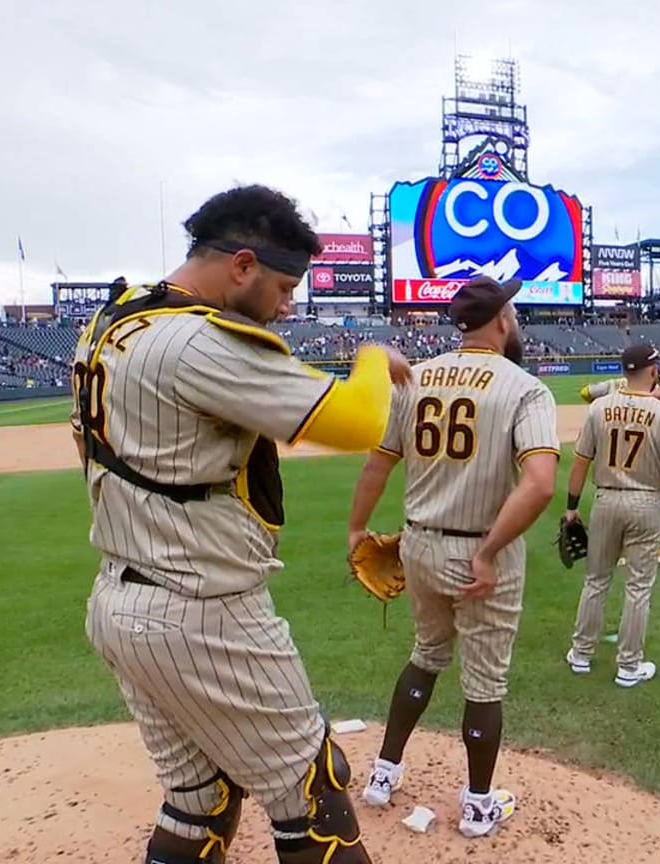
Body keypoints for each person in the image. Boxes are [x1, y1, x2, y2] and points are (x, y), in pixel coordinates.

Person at [72, 183, 411, 864]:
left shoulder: (115, 319)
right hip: (202, 609)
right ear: (242, 265)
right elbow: (356, 420)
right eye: (284, 286)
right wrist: (374, 356)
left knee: (200, 801)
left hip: (121, 598)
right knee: (313, 790)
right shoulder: (197, 340)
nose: (289, 305)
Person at [346, 275, 560, 839]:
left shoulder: (414, 377)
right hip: (479, 550)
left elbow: (378, 463)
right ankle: (478, 805)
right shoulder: (525, 387)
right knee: (485, 683)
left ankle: (383, 775)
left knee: (426, 654)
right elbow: (538, 485)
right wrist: (489, 553)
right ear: (502, 319)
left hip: (419, 543)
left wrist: (356, 529)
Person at [562, 344, 660, 687]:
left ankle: (580, 653)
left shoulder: (599, 408)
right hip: (645, 503)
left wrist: (572, 507)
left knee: (595, 580)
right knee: (638, 587)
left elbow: (579, 462)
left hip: (605, 500)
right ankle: (629, 666)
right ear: (653, 371)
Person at [579, 368, 660, 564]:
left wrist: (601, 404)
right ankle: (657, 550)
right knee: (650, 497)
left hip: (611, 450)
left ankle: (615, 552)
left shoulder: (612, 385)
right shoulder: (653, 395)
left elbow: (585, 392)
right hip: (640, 451)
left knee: (611, 493)